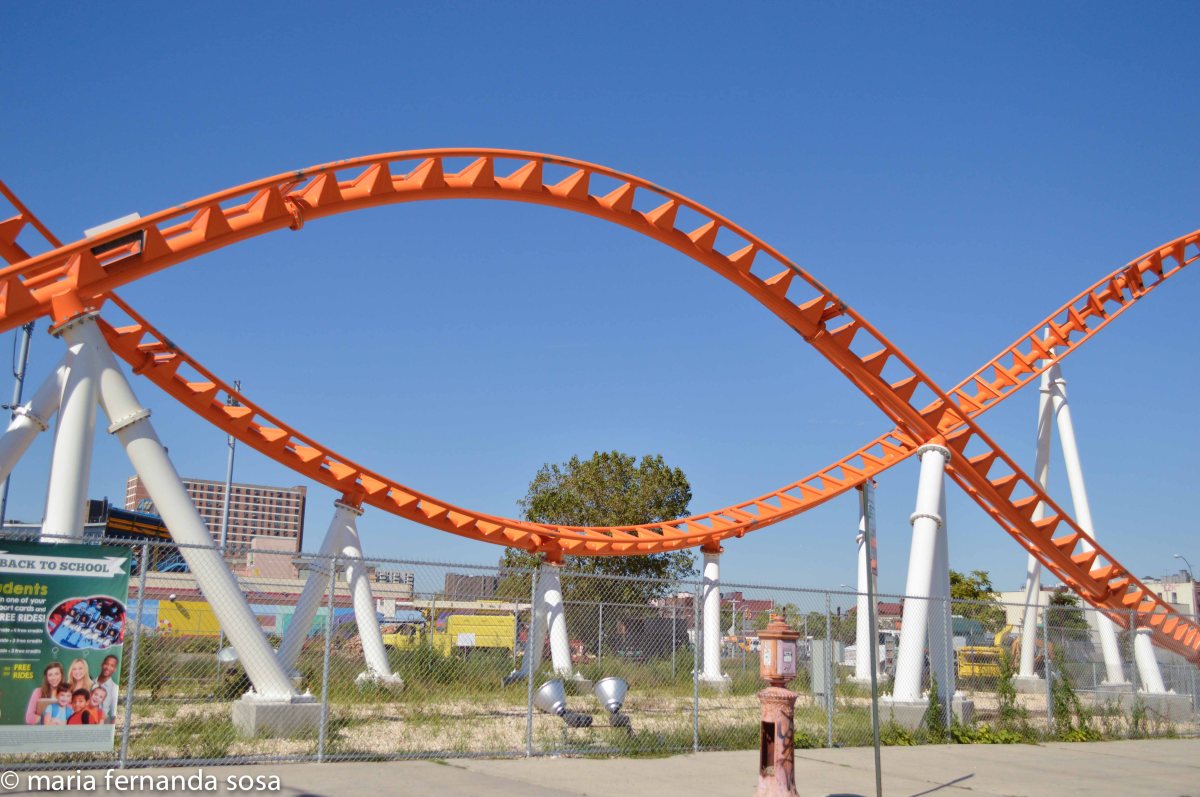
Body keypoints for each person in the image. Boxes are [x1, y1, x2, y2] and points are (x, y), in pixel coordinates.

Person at [93, 654, 119, 723]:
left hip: (102, 722)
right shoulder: (91, 683)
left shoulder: (114, 688)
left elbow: (113, 715)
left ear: (115, 669)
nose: (108, 667)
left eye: (112, 666)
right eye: (106, 664)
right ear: (102, 665)